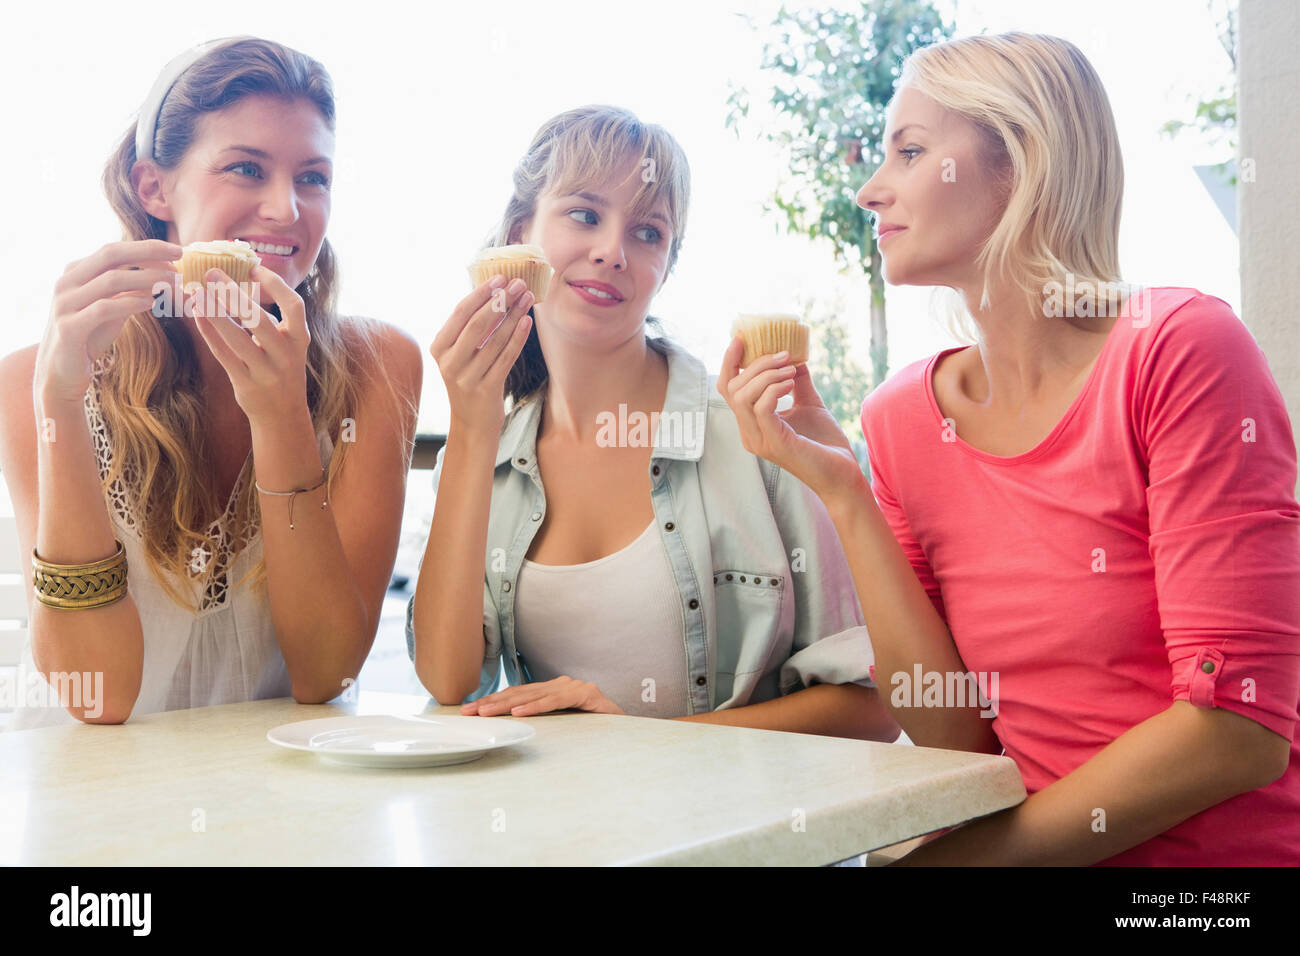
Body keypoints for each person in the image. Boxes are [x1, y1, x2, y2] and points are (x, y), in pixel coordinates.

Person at [719, 32, 1299, 864]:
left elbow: (1238, 732)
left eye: (911, 151)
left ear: (1022, 160)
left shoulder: (1177, 350)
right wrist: (843, 491)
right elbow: (953, 727)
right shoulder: (900, 419)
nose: (869, 191)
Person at [408, 106, 897, 740]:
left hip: (749, 835)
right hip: (572, 833)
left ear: (666, 265)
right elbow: (450, 683)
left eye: (647, 233)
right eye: (585, 215)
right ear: (521, 232)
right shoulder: (484, 455)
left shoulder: (758, 437)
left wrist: (647, 740)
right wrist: (471, 432)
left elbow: (870, 710)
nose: (612, 251)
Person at [0, 37, 422, 727]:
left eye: (313, 177)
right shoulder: (35, 382)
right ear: (153, 188)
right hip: (94, 808)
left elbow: (325, 672)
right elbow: (94, 696)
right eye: (246, 169)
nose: (286, 209)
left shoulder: (377, 367)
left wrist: (281, 415)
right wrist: (59, 401)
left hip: (283, 805)